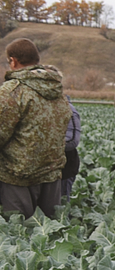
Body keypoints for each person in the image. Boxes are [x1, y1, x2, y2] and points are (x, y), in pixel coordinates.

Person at [0, 38, 72, 218]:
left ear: (13, 61)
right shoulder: (57, 90)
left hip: (18, 177)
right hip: (51, 176)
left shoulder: (13, 91)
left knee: (19, 236)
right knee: (47, 235)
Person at [62, 99, 82, 204]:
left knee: (61, 206)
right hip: (44, 169)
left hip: (65, 168)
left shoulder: (69, 110)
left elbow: (73, 141)